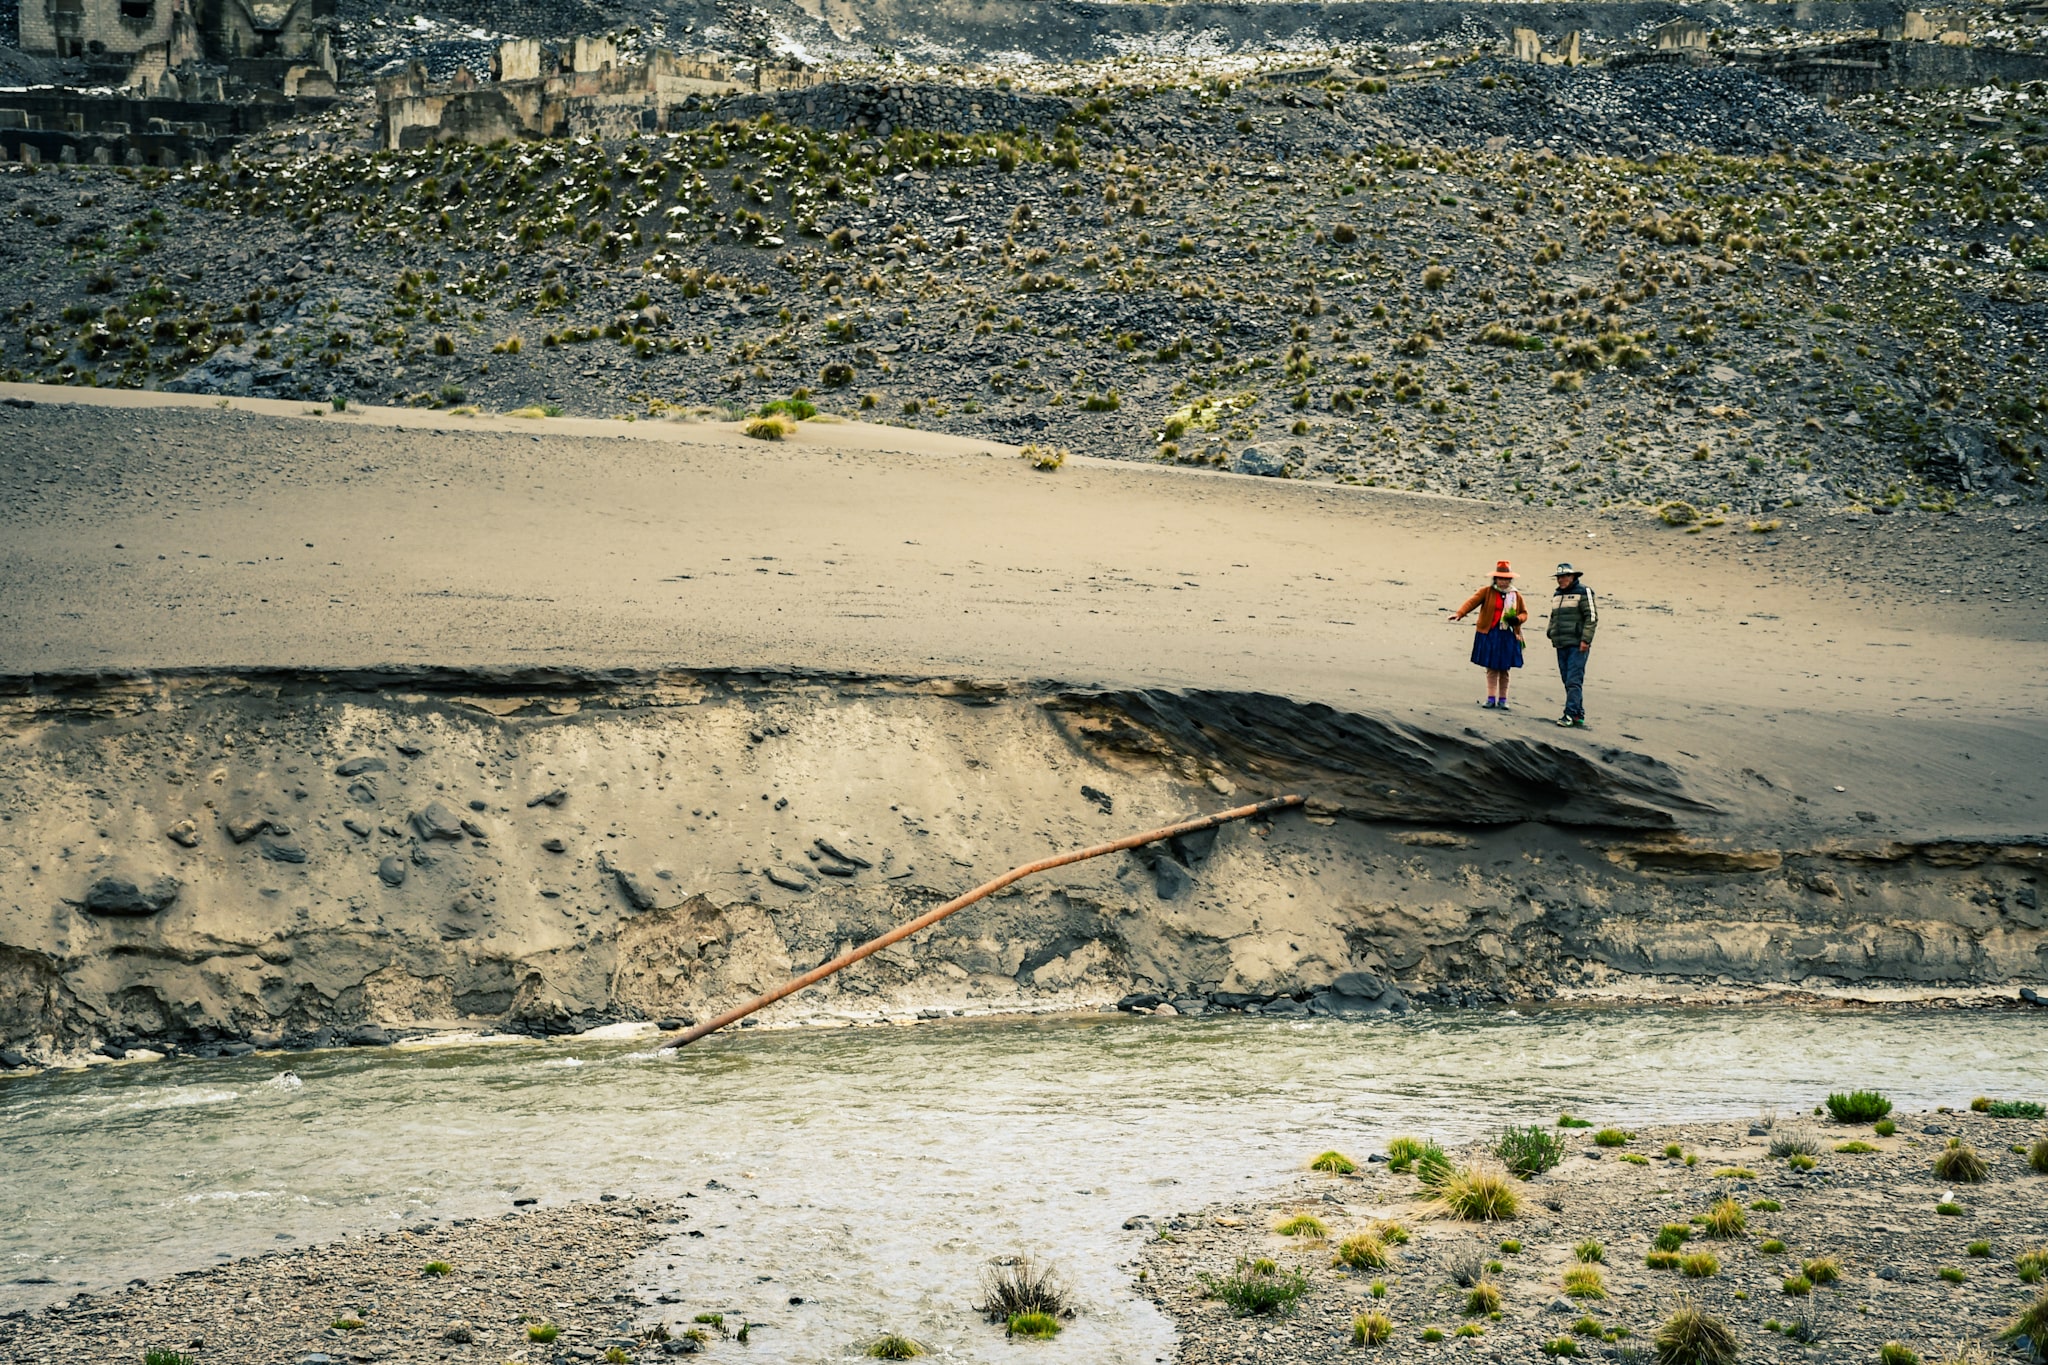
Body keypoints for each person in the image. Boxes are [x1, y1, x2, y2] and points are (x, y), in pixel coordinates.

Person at [1450, 560, 1528, 710]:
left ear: (1510, 580)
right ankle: (1491, 698)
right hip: (1490, 634)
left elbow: (1524, 613)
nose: (1503, 581)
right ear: (1496, 579)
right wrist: (1460, 613)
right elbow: (1472, 602)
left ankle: (1503, 699)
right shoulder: (1487, 591)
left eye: (1506, 579)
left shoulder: (1516, 595)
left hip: (1508, 635)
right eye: (1500, 578)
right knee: (1491, 668)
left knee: (1504, 669)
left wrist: (1518, 619)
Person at [1546, 562, 1597, 728]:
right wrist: (1550, 631)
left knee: (1573, 680)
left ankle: (1569, 714)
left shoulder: (1584, 592)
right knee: (1567, 679)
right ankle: (1578, 713)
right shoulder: (1557, 595)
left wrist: (1585, 640)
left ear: (1573, 576)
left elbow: (1592, 617)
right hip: (1561, 643)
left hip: (1577, 644)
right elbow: (1554, 617)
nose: (1561, 580)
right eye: (1559, 577)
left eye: (1565, 576)